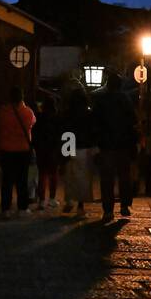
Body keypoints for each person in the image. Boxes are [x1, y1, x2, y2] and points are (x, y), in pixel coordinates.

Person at [91, 71, 138, 221]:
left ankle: (108, 210)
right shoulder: (126, 99)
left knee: (107, 179)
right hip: (123, 144)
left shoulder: (100, 100)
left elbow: (95, 123)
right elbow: (133, 121)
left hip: (106, 145)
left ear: (108, 85)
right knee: (124, 176)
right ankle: (124, 206)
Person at [0, 85, 36, 217]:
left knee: (6, 181)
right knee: (22, 180)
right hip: (22, 150)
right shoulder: (28, 113)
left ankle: (6, 209)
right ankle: (22, 208)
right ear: (22, 97)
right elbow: (33, 123)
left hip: (6, 149)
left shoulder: (3, 112)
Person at [61, 87, 95, 218]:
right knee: (83, 178)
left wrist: (63, 150)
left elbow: (64, 130)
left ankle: (69, 200)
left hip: (69, 144)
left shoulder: (67, 113)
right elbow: (92, 132)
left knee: (69, 175)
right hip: (83, 147)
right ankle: (80, 206)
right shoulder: (88, 114)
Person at [32, 96, 61, 209]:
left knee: (42, 174)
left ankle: (42, 200)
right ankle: (52, 199)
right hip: (53, 150)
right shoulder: (57, 118)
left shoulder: (39, 117)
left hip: (41, 149)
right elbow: (61, 134)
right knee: (53, 174)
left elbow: (35, 134)